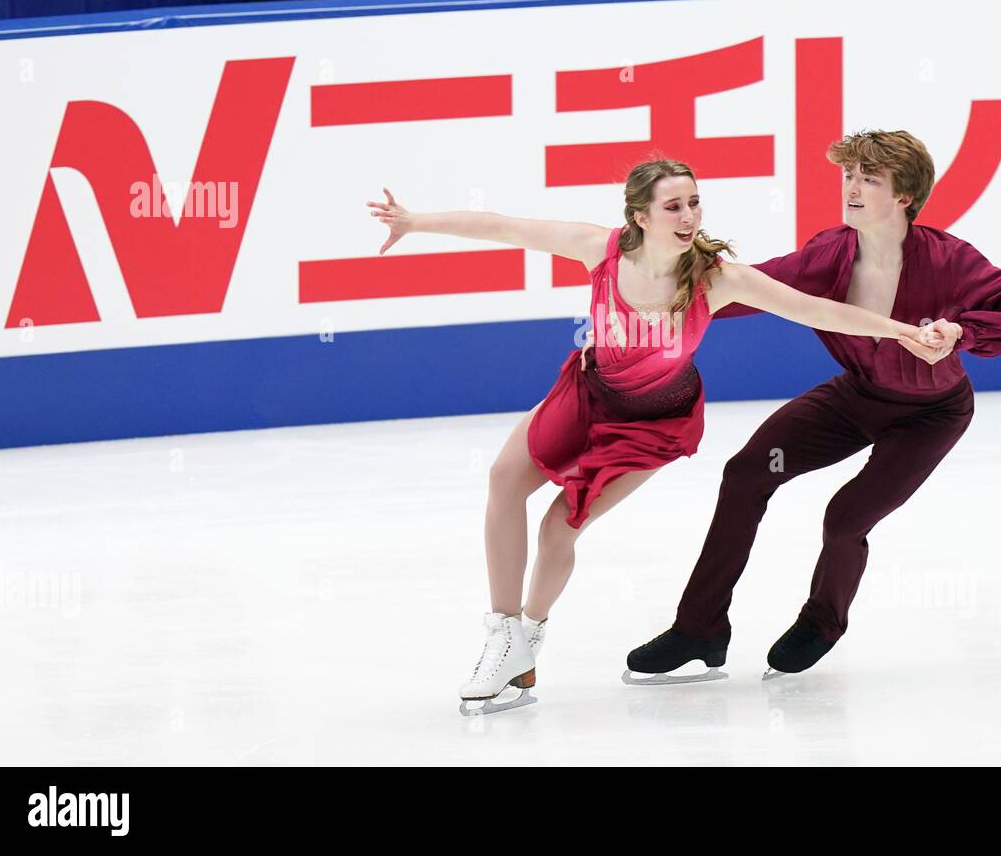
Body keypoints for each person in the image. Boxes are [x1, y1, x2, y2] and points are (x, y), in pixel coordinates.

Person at [367, 158, 945, 714]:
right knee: (502, 479)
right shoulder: (601, 251)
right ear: (640, 216)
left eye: (694, 202)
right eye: (674, 206)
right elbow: (504, 226)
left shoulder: (717, 278)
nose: (689, 215)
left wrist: (901, 333)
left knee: (558, 524)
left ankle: (528, 639)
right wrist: (415, 221)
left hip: (652, 424)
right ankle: (502, 632)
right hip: (587, 395)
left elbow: (818, 310)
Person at [626, 130, 1001, 680]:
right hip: (856, 397)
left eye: (869, 180)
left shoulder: (950, 260)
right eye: (849, 176)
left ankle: (822, 621)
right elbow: (748, 287)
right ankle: (700, 627)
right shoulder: (830, 253)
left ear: (904, 196)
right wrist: (661, 293)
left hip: (932, 414)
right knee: (746, 474)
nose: (852, 188)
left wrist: (963, 331)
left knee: (846, 515)